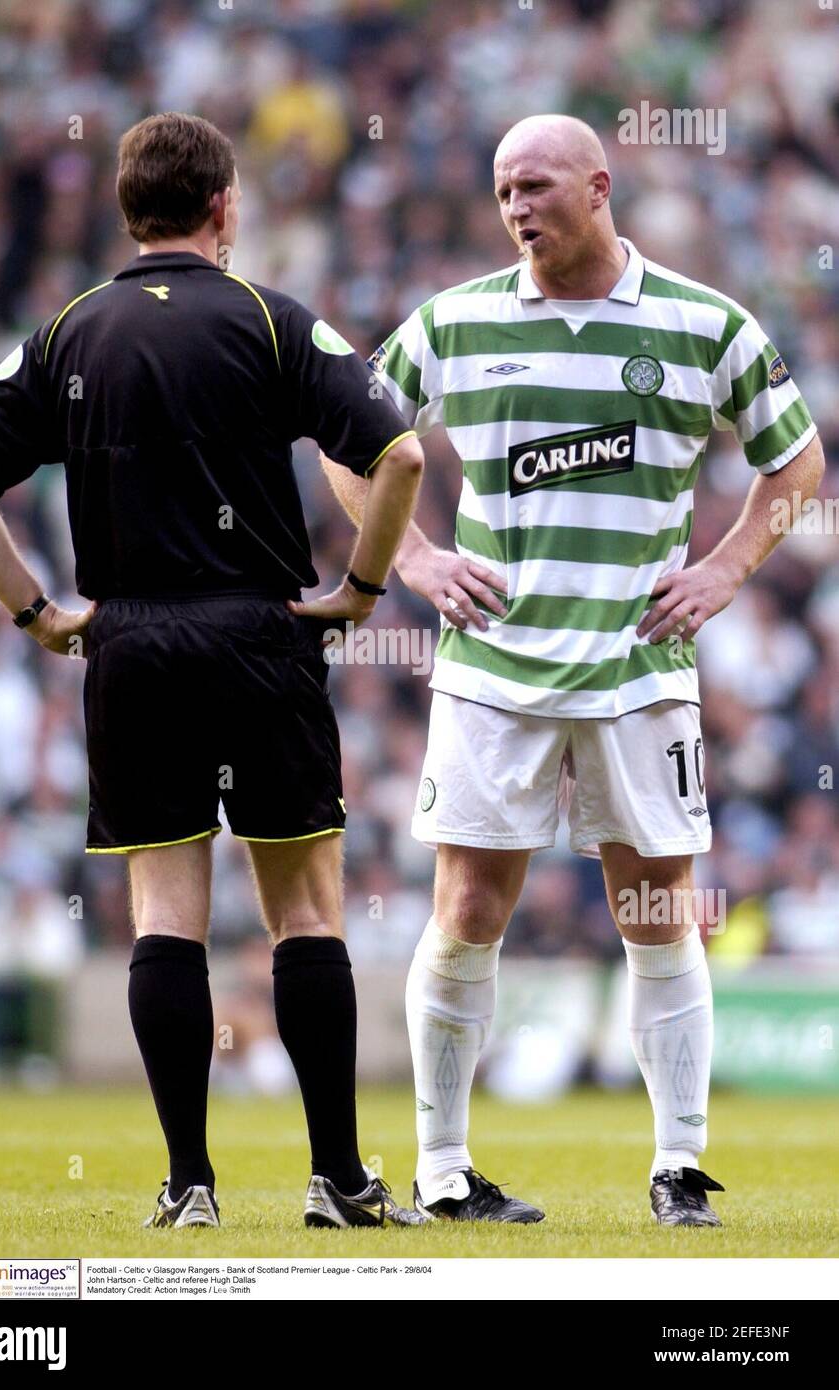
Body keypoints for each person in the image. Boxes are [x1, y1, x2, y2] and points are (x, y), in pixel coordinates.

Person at [320, 114, 824, 1227]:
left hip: (642, 669)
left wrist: (729, 570)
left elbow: (796, 460)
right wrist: (411, 554)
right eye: (503, 190)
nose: (516, 208)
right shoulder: (458, 320)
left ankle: (679, 1165)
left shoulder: (705, 324)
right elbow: (348, 438)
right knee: (466, 908)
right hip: (495, 668)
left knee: (659, 909)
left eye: (536, 185)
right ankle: (444, 1170)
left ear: (600, 185)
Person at [0, 111, 425, 1230]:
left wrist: (36, 613)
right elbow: (398, 453)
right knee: (304, 906)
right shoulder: (270, 318)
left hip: (132, 641)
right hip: (262, 632)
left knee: (166, 912)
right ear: (223, 206)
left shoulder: (65, 332)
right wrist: (361, 587)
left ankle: (189, 1183)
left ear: (125, 209)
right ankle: (339, 1179)